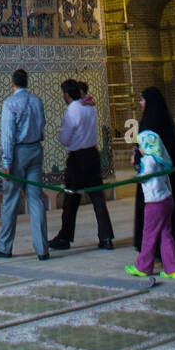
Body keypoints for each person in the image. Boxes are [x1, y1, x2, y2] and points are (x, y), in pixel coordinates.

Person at [0, 68, 49, 261]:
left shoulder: (10, 103)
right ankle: (42, 249)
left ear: (12, 83)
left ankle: (4, 247)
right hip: (35, 150)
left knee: (10, 200)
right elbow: (42, 125)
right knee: (36, 200)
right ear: (27, 82)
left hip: (18, 154)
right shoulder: (37, 101)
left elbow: (8, 136)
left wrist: (6, 162)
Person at [49, 79, 114, 251]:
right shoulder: (90, 108)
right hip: (93, 156)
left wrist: (63, 138)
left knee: (71, 199)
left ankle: (65, 237)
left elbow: (65, 137)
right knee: (98, 198)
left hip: (77, 159)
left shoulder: (73, 110)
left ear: (67, 95)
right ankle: (106, 237)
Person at [133, 86, 175, 264]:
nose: (140, 103)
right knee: (167, 227)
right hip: (169, 182)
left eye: (143, 100)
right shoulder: (165, 122)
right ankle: (172, 261)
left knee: (152, 225)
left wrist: (137, 158)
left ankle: (146, 262)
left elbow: (145, 154)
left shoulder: (148, 125)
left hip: (155, 184)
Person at [125, 130, 175, 279]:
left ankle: (143, 267)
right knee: (166, 234)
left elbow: (146, 176)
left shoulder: (148, 160)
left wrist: (135, 176)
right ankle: (172, 268)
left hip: (155, 203)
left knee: (149, 235)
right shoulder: (161, 158)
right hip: (167, 200)